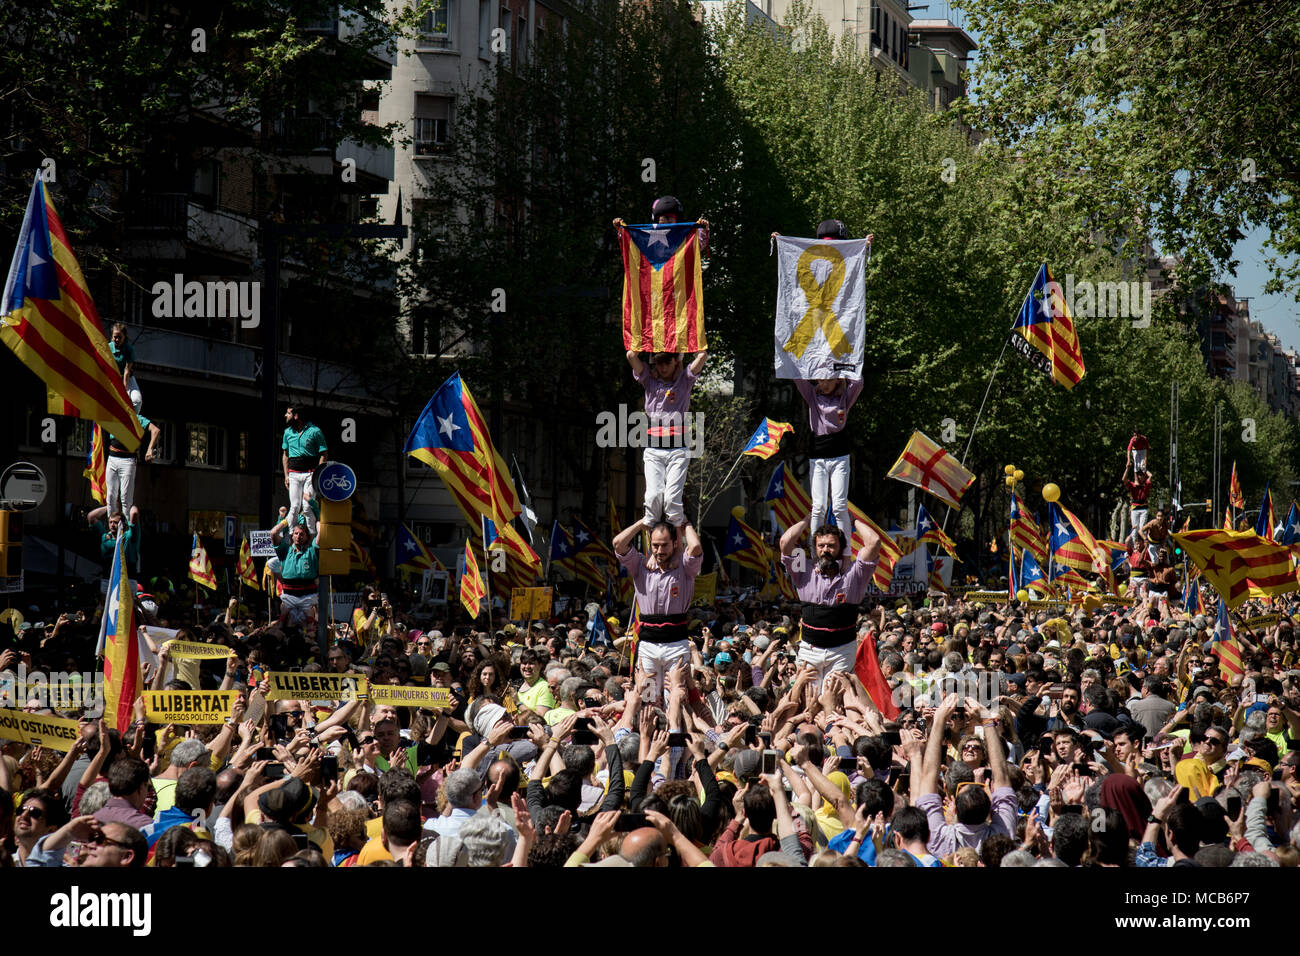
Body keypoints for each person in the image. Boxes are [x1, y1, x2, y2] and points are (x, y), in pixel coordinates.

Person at [779, 516, 881, 689]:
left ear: (841, 547)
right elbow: (785, 541)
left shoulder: (855, 573)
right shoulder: (803, 569)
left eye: (831, 545)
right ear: (815, 548)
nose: (825, 550)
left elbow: (874, 542)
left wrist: (851, 518)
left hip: (841, 651)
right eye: (821, 545)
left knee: (834, 698)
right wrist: (811, 517)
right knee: (805, 699)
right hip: (809, 650)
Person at [612, 518, 703, 705]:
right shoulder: (641, 565)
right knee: (648, 699)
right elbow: (618, 543)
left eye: (664, 545)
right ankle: (650, 733)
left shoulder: (684, 567)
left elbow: (695, 548)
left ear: (675, 543)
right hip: (648, 645)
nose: (659, 551)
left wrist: (685, 525)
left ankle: (676, 732)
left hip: (676, 645)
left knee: (676, 698)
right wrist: (641, 524)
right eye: (655, 545)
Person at [625, 348, 707, 531]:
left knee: (671, 500)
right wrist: (644, 342)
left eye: (667, 363)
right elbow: (631, 356)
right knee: (653, 498)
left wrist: (693, 344)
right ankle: (653, 551)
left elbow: (702, 356)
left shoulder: (684, 381)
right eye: (659, 363)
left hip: (677, 450)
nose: (662, 368)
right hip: (654, 449)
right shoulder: (650, 381)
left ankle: (678, 545)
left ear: (676, 361)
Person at [281, 405, 328, 535]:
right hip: (294, 474)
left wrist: (317, 474)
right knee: (294, 507)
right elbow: (285, 455)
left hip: (310, 474)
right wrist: (286, 475)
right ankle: (291, 537)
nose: (285, 415)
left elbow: (324, 453)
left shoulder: (315, 431)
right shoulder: (287, 432)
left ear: (296, 416)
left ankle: (312, 537)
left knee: (307, 507)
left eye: (288, 413)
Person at [271, 517, 323, 627]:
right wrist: (286, 520)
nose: (298, 537)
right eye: (295, 533)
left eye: (301, 534)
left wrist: (317, 518)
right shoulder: (285, 550)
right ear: (292, 535)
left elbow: (321, 534)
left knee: (311, 628)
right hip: (289, 598)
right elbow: (273, 533)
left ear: (307, 537)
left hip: (308, 598)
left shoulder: (312, 550)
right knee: (282, 626)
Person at [110, 322, 142, 412]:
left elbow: (127, 370)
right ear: (111, 336)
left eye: (119, 337)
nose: (117, 340)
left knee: (136, 400)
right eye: (115, 337)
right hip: (112, 378)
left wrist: (124, 391)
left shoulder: (129, 349)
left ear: (125, 337)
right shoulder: (107, 348)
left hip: (126, 377)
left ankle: (133, 421)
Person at [1123, 456, 1154, 538]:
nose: (1140, 477)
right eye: (1138, 475)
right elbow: (1124, 479)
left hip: (1143, 508)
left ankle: (1144, 543)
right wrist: (1127, 468)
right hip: (1135, 508)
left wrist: (1144, 469)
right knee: (1135, 528)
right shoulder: (1133, 486)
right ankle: (1135, 546)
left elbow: (1150, 476)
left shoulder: (1146, 485)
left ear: (1144, 477)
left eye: (1142, 475)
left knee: (1142, 527)